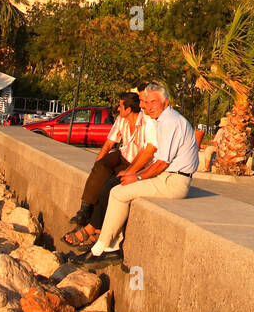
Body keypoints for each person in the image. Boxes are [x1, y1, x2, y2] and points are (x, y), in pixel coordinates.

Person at [75, 81, 198, 267]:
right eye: (146, 103)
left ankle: (102, 248)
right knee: (118, 186)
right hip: (167, 177)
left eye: (153, 102)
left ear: (166, 102)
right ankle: (108, 247)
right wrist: (134, 174)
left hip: (174, 182)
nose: (149, 107)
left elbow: (162, 162)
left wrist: (137, 176)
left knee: (118, 192)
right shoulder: (163, 120)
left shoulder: (171, 121)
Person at [62, 92, 146, 246]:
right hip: (122, 155)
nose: (118, 109)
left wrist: (130, 171)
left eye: (120, 106)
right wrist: (97, 165)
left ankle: (94, 228)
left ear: (128, 109)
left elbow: (144, 153)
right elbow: (109, 143)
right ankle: (84, 210)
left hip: (136, 163)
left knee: (110, 185)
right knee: (101, 168)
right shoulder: (122, 120)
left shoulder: (145, 124)